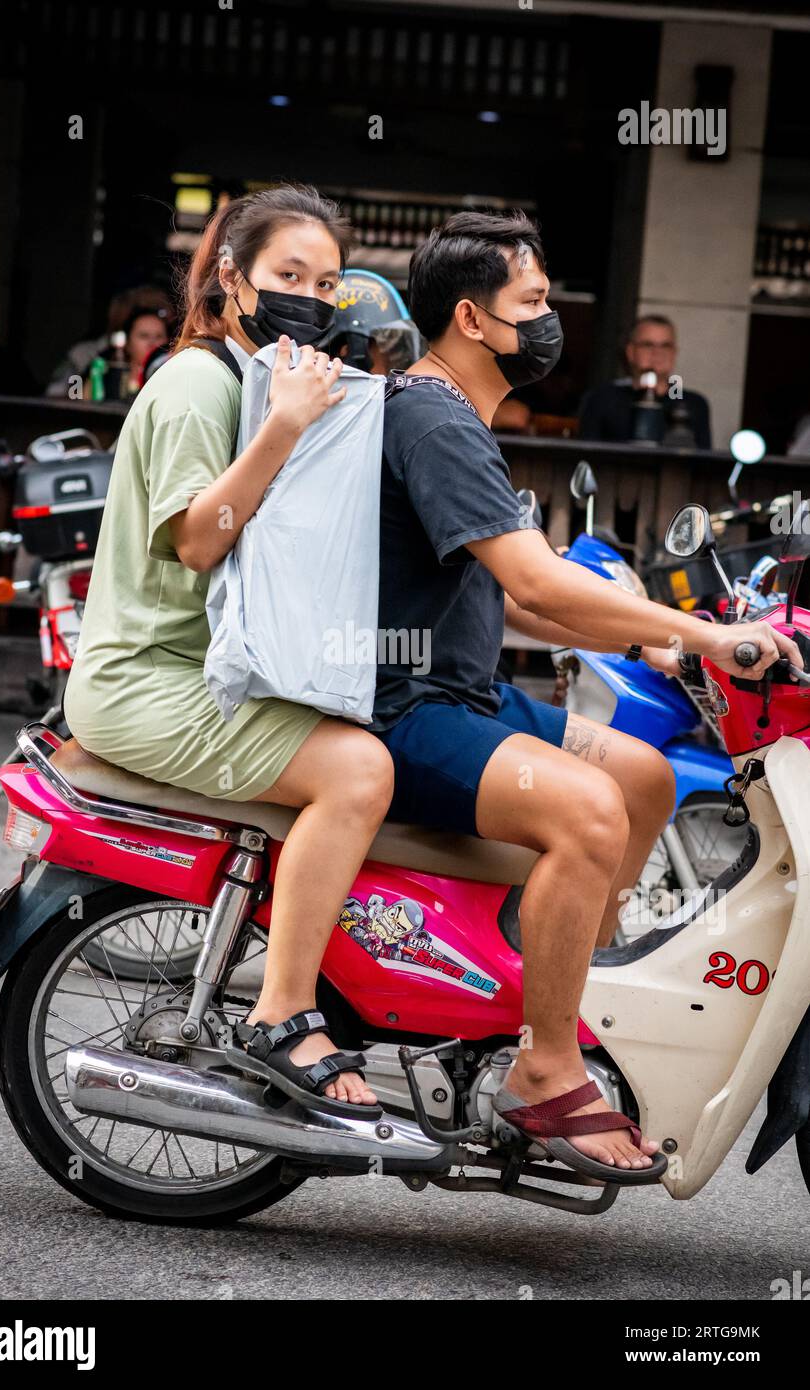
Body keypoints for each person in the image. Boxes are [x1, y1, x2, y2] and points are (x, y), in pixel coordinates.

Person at [368, 211, 800, 1180]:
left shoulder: (451, 413)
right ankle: (544, 1064)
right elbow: (536, 582)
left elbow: (523, 600)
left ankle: (561, 994)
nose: (549, 318)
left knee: (644, 776)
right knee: (593, 814)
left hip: (462, 691)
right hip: (403, 708)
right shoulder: (434, 416)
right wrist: (700, 634)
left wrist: (654, 637)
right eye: (533, 302)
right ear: (473, 319)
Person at [64, 184, 395, 1109]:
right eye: (288, 275)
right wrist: (289, 425)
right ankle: (281, 1013)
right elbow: (201, 538)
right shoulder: (198, 384)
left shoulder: (262, 380)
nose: (311, 298)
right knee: (357, 773)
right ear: (229, 278)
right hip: (145, 678)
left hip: (213, 669)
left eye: (328, 284)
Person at [579, 314, 712, 448]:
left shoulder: (692, 404)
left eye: (665, 346)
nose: (657, 352)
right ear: (631, 352)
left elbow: (703, 462)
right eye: (648, 345)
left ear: (674, 353)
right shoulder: (602, 399)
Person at [45, 284, 175, 397]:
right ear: (127, 342)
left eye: (159, 336)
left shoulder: (174, 372)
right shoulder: (101, 365)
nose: (152, 343)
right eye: (143, 336)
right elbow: (70, 398)